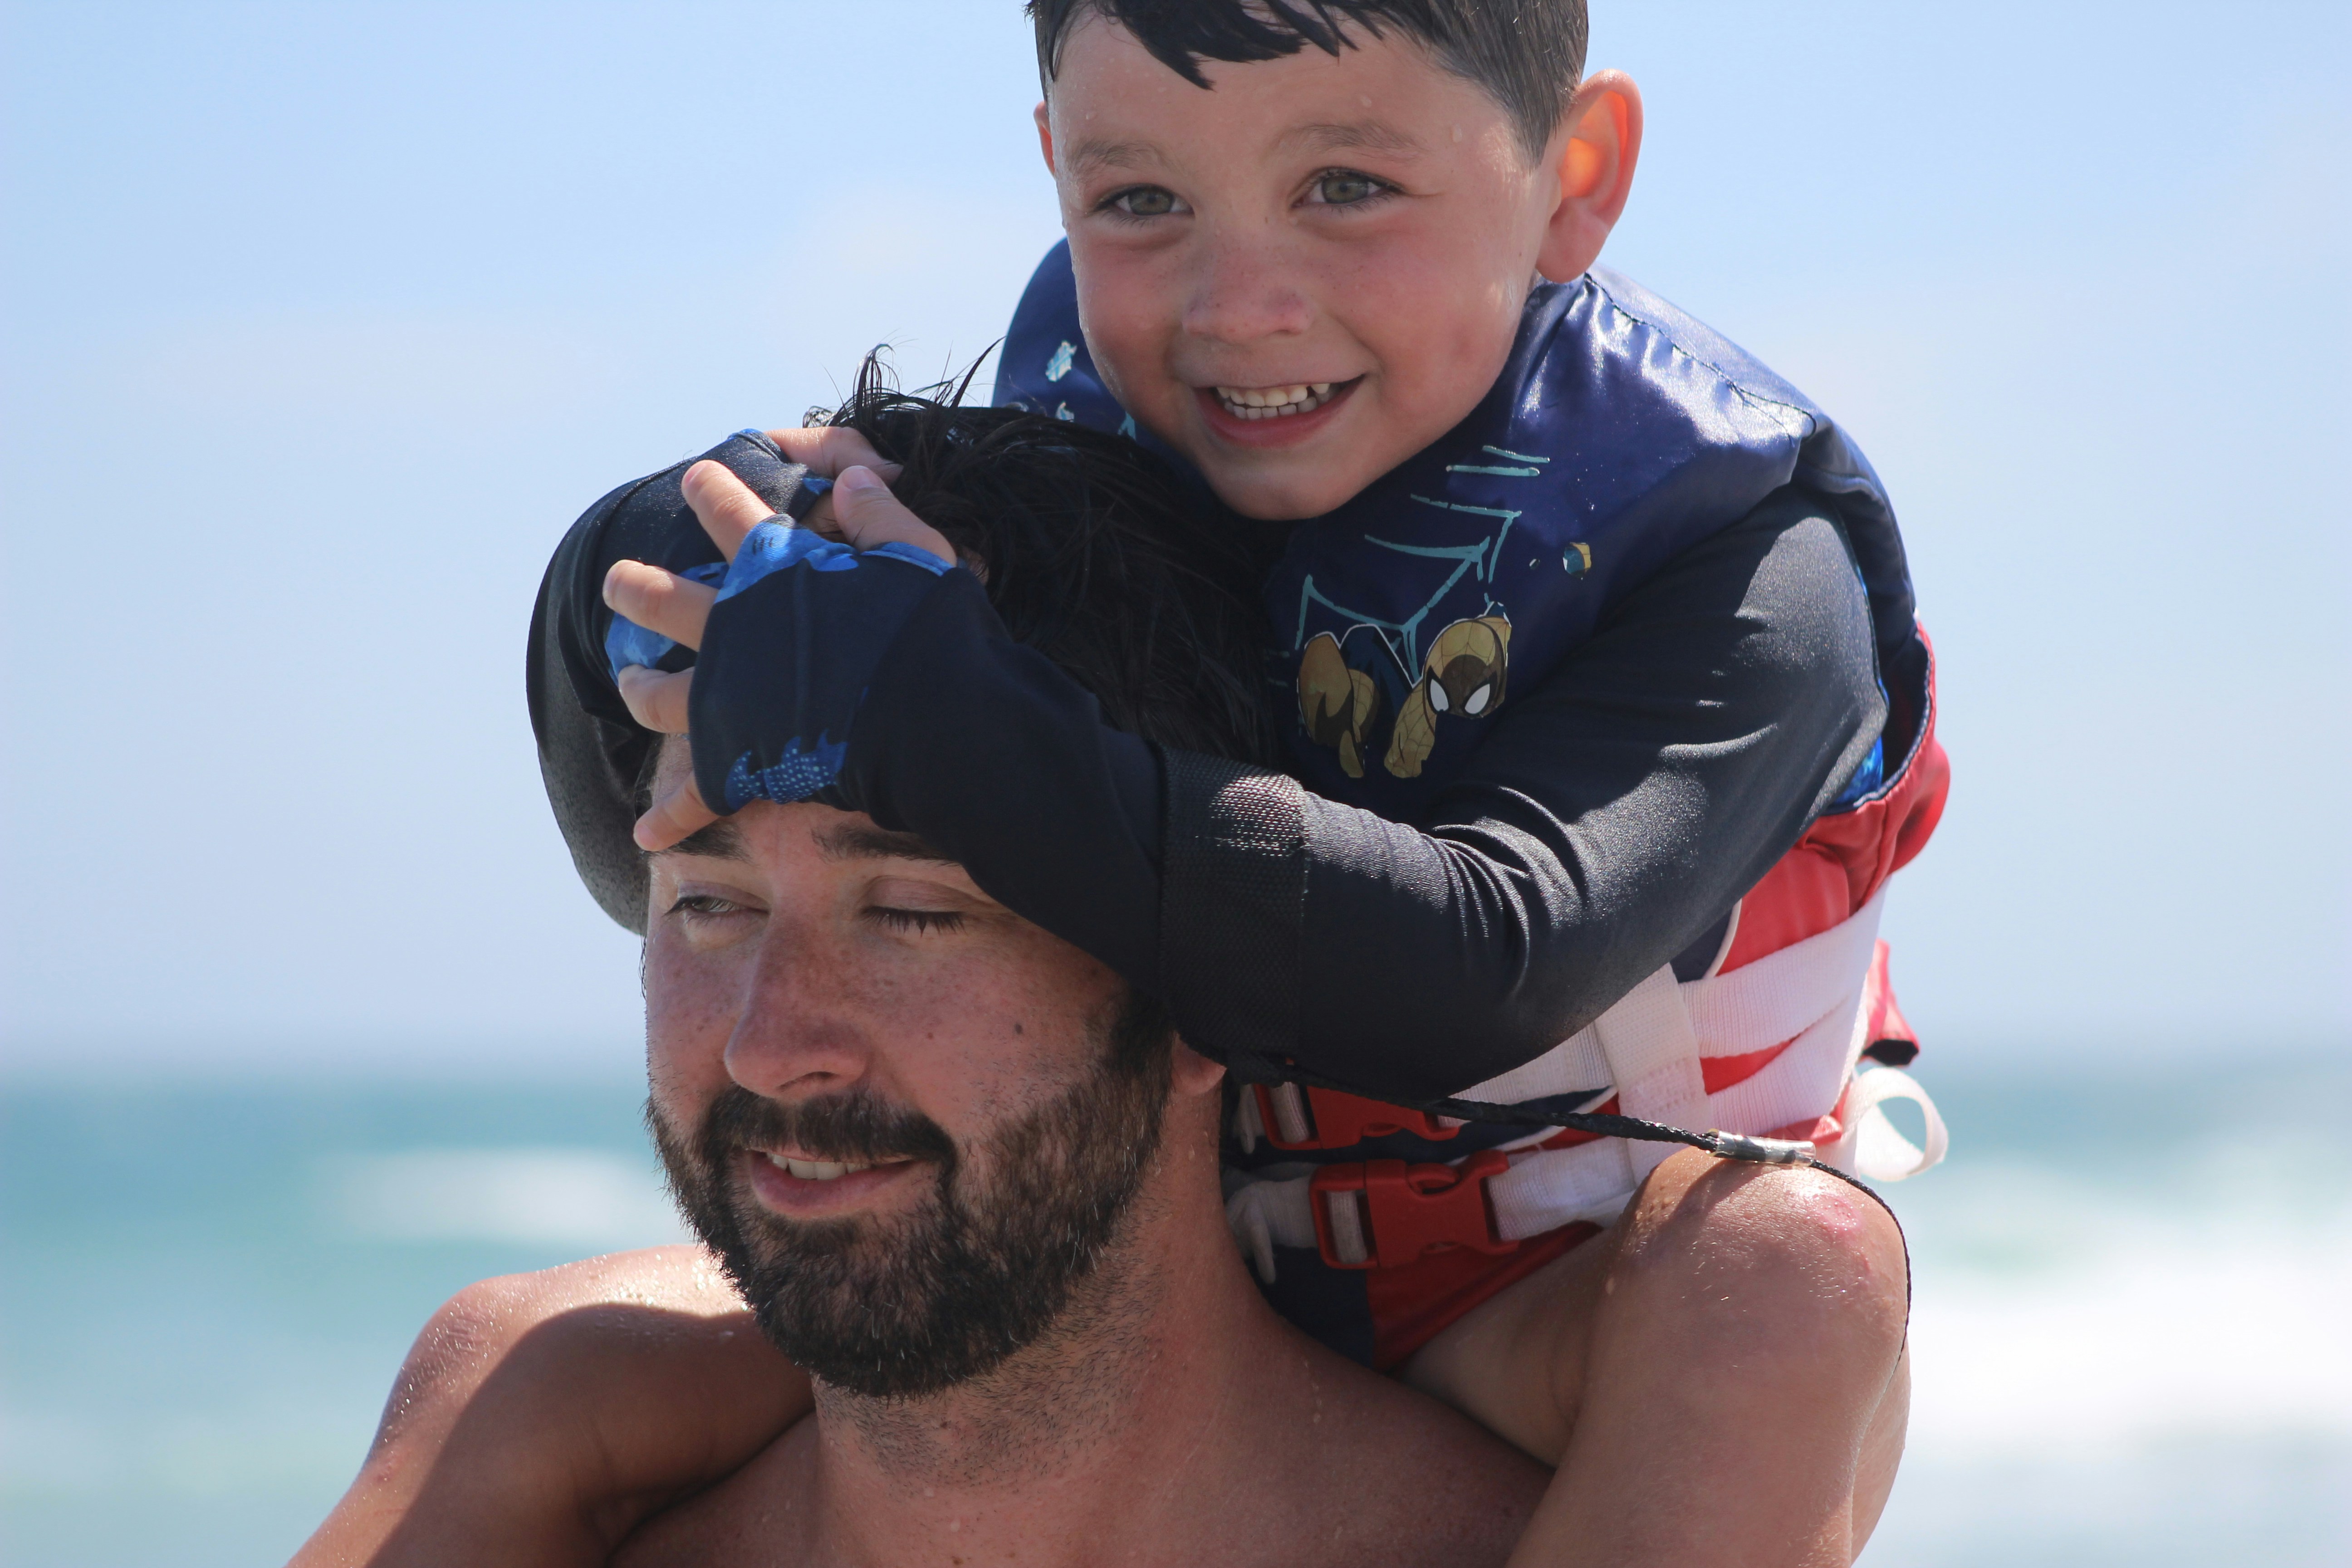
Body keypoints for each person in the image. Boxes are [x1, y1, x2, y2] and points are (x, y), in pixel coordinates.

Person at [296, 387, 1911, 1567]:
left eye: (916, 910)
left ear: (1203, 954)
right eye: (707, 907)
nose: (775, 1046)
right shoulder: (517, 1455)